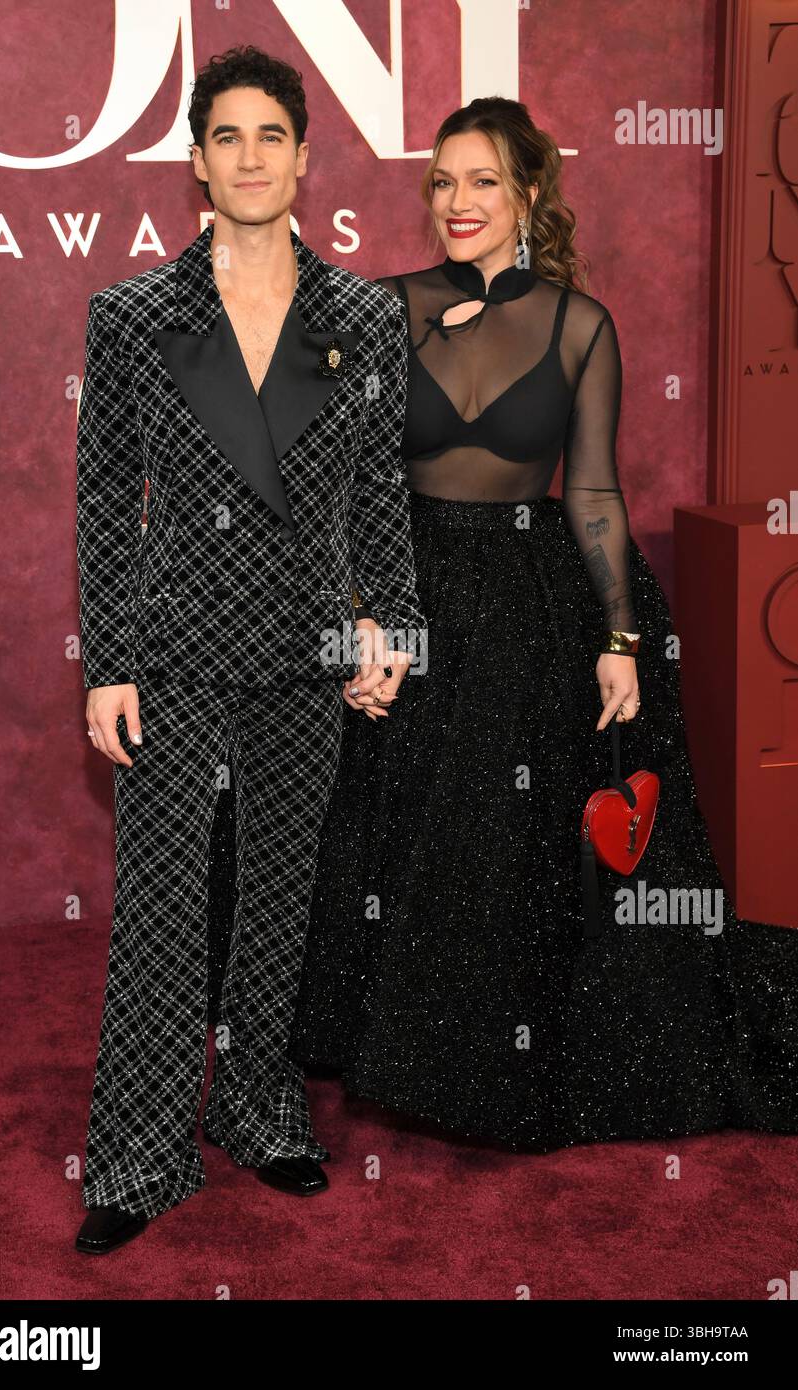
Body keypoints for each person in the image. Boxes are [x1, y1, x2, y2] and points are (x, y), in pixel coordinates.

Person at [270, 97, 798, 1152]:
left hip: (527, 590)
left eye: (483, 182)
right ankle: (379, 1028)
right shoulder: (382, 307)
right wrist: (361, 615)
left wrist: (619, 637)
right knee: (394, 809)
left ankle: (487, 1047)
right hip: (404, 580)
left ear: (527, 194)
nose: (458, 203)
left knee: (502, 809)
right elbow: (324, 471)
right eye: (442, 182)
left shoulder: (579, 323)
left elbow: (593, 494)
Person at [74, 45, 425, 1255]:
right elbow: (107, 494)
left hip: (305, 644)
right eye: (226, 137)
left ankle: (266, 1114)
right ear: (197, 163)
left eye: (271, 135)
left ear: (305, 154)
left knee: (279, 898)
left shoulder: (365, 315)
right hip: (173, 645)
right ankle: (136, 1149)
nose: (250, 158)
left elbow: (380, 486)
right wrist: (107, 661)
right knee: (163, 912)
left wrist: (393, 622)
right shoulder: (131, 318)